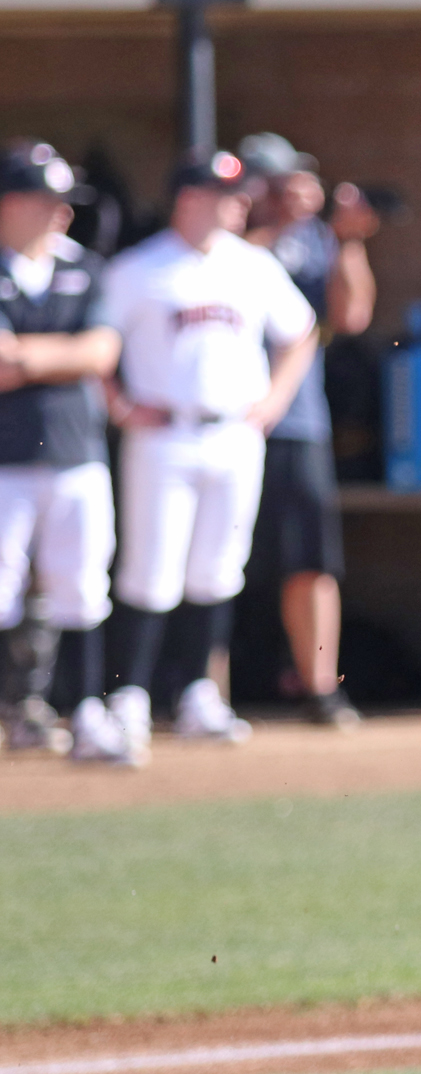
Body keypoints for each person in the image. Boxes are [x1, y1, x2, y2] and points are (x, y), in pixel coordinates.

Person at [98, 150, 318, 753]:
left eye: (241, 195)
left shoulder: (253, 265)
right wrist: (117, 405)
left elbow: (301, 332)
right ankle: (130, 696)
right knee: (151, 569)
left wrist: (273, 401)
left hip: (234, 433)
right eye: (226, 195)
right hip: (162, 431)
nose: (240, 204)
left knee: (219, 566)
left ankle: (197, 693)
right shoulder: (138, 269)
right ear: (188, 199)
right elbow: (96, 345)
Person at [238, 131, 376, 728]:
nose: (291, 193)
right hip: (222, 423)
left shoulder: (316, 240)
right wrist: (274, 222)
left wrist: (346, 240)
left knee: (311, 561)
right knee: (211, 563)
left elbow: (352, 316)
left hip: (299, 423)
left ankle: (322, 688)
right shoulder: (221, 242)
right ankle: (201, 691)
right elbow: (230, 259)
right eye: (277, 184)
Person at [0, 142, 125, 763]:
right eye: (46, 202)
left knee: (80, 589)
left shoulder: (85, 268)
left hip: (76, 454)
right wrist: (61, 354)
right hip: (5, 460)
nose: (60, 215)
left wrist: (28, 356)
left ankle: (85, 712)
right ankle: (15, 713)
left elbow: (102, 353)